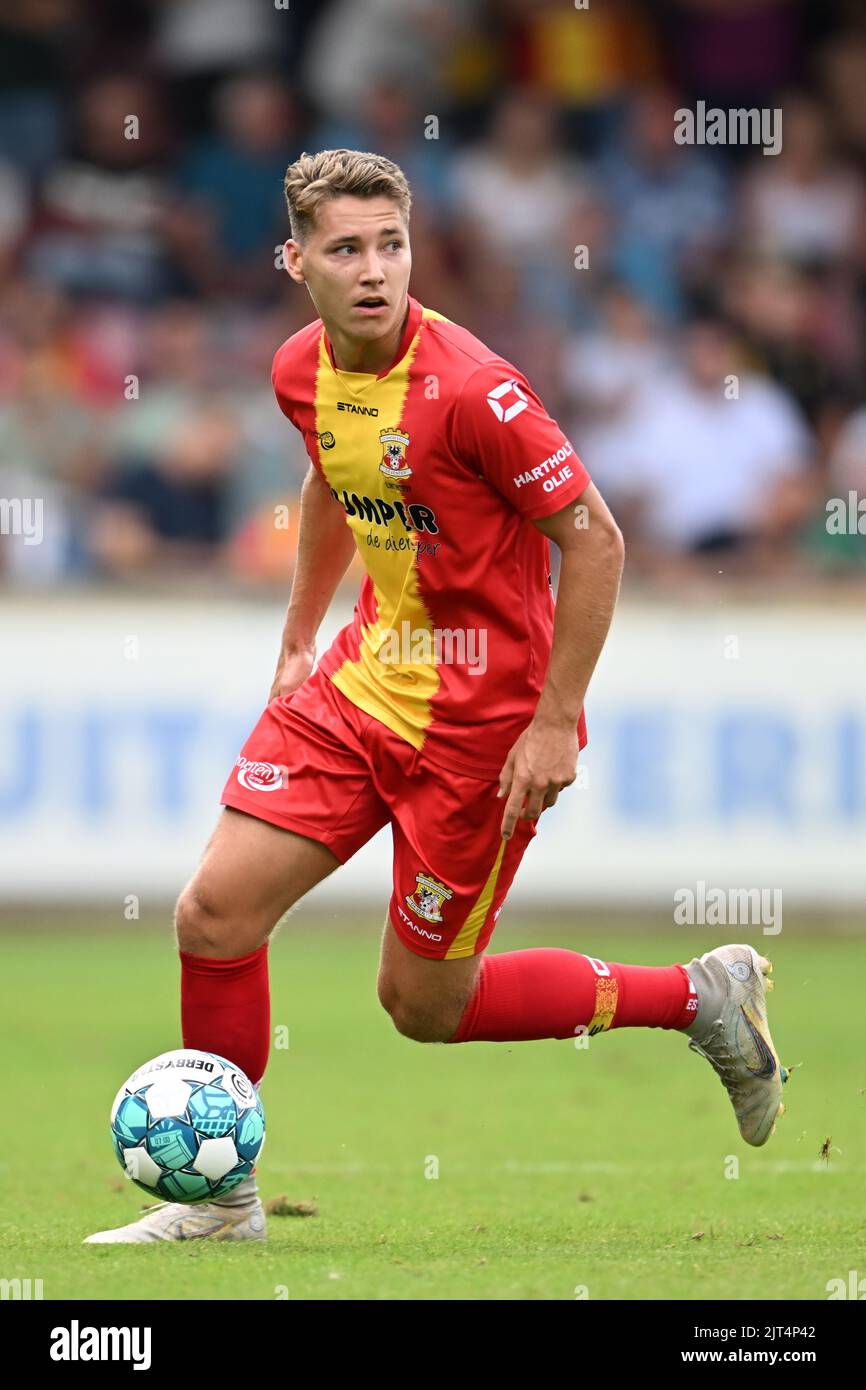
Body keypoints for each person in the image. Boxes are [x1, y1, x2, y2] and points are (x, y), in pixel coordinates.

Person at [85, 149, 788, 1244]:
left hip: (481, 727)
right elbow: (332, 473)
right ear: (295, 260)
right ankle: (219, 1204)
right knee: (214, 915)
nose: (373, 270)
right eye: (345, 249)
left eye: (391, 245)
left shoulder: (475, 393)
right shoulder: (297, 371)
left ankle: (693, 997)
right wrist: (297, 634)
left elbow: (592, 537)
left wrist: (554, 720)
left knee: (424, 1007)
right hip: (361, 686)